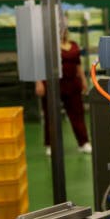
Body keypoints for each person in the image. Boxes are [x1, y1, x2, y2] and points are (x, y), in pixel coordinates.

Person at [35, 19, 92, 155]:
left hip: (72, 84)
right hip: (53, 84)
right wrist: (38, 82)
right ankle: (50, 144)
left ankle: (83, 142)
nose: (62, 31)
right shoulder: (48, 46)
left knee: (78, 114)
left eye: (63, 28)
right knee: (51, 114)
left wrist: (83, 80)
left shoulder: (73, 45)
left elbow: (78, 65)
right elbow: (40, 64)